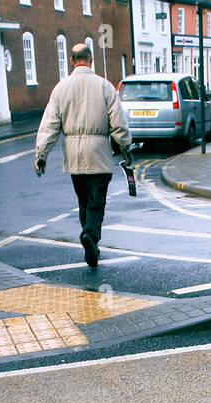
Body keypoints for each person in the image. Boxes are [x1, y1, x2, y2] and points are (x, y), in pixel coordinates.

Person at [34, 43, 133, 268]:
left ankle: (89, 240)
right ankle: (90, 235)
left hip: (74, 157)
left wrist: (41, 154)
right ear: (91, 60)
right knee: (97, 202)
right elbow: (119, 124)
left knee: (83, 201)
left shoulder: (61, 88)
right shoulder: (105, 87)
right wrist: (126, 148)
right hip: (99, 155)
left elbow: (49, 126)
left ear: (72, 61)